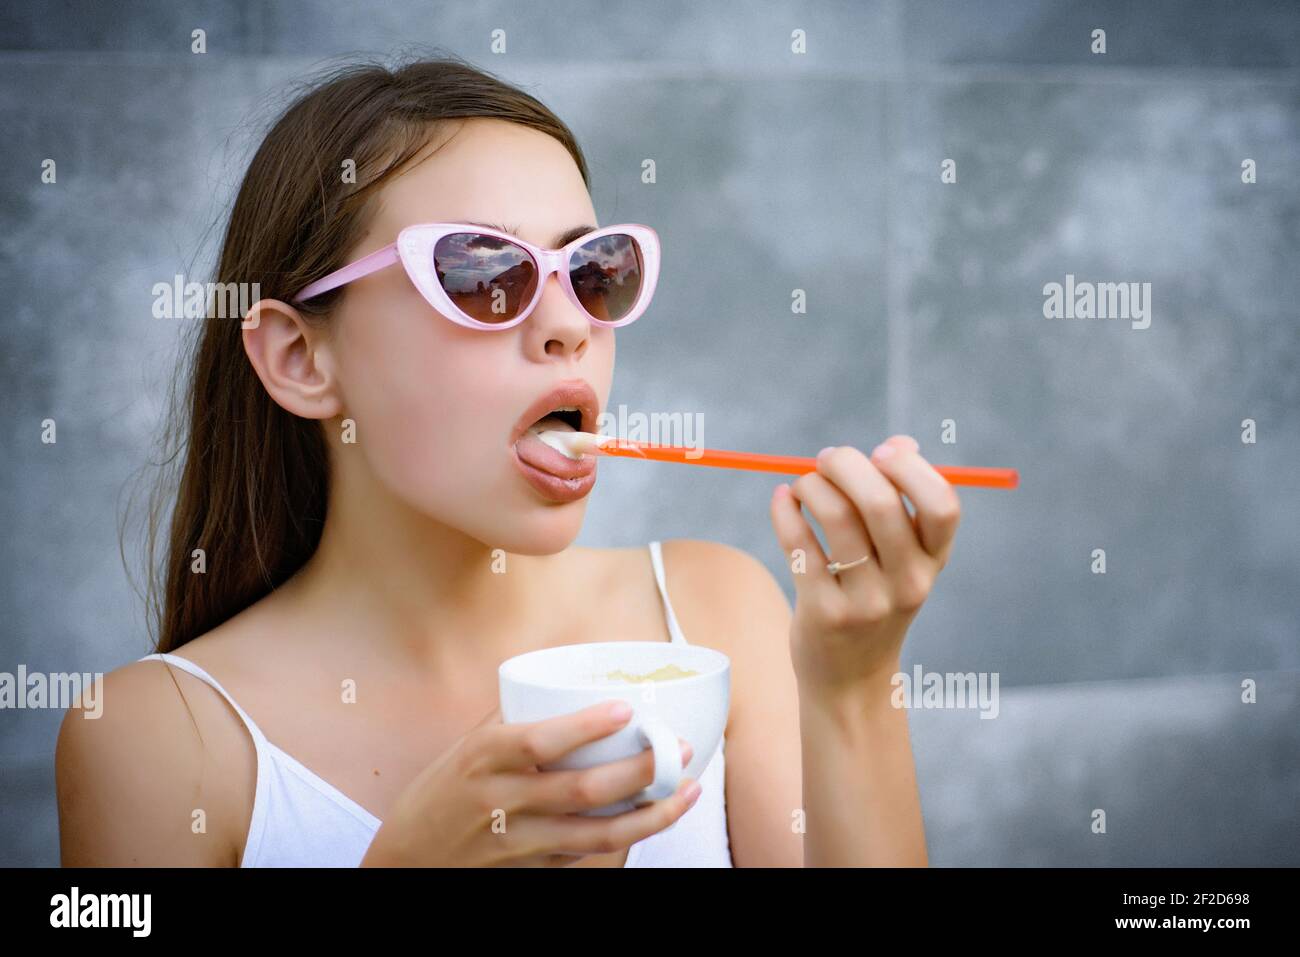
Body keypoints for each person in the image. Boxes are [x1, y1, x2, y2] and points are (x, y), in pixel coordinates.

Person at [55, 56, 960, 867]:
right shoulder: (153, 739)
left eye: (596, 271)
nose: (571, 324)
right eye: (485, 274)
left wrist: (852, 685)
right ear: (301, 358)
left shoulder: (716, 614)